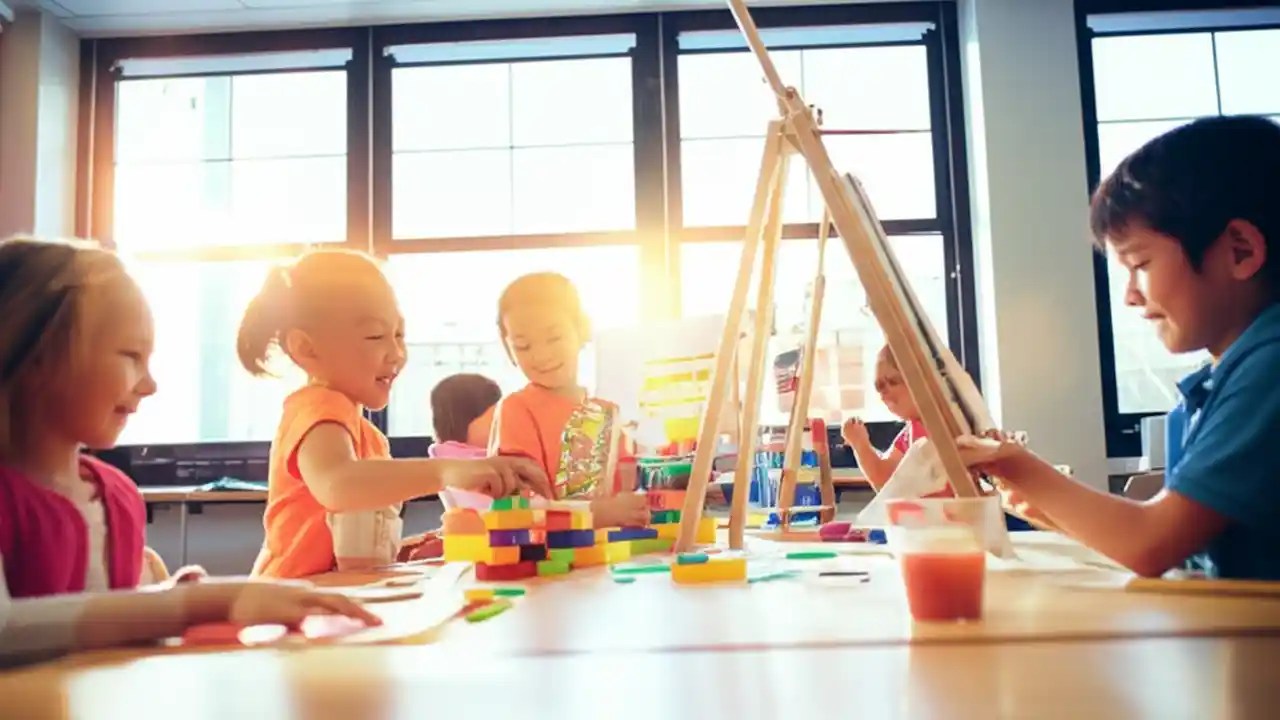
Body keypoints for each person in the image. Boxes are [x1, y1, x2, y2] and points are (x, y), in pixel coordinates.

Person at [0, 236, 378, 665]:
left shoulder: (117, 495)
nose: (150, 384)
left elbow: (102, 621)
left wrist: (166, 594)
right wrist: (196, 603)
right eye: (130, 355)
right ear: (35, 357)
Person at [959, 116, 1280, 580]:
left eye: (1140, 263)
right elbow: (1190, 550)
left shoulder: (1268, 368)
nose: (1130, 294)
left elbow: (1151, 543)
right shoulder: (1234, 371)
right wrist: (1052, 506)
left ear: (1241, 251)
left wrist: (1017, 466)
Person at [238, 249, 550, 578]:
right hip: (289, 604)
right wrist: (446, 471)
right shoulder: (318, 407)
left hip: (333, 598)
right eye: (375, 335)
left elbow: (352, 545)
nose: (397, 354)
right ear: (306, 348)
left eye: (399, 335)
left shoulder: (366, 434)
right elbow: (337, 485)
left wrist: (424, 546)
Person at [489, 272, 648, 527]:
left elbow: (626, 495)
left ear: (582, 329)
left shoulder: (608, 413)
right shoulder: (516, 409)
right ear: (507, 347)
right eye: (523, 346)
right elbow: (519, 510)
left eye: (554, 338)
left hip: (606, 557)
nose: (541, 355)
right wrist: (599, 514)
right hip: (542, 562)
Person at [841, 345, 952, 497]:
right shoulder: (911, 429)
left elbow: (883, 478)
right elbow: (885, 474)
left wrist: (860, 443)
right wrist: (861, 444)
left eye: (893, 381)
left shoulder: (930, 428)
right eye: (879, 387)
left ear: (923, 380)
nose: (885, 392)